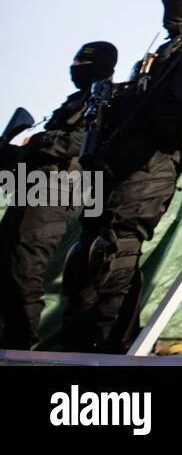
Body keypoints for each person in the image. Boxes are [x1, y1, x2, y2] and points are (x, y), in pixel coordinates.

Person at [60, 0, 182, 353]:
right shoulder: (158, 53)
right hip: (115, 165)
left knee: (114, 254)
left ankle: (113, 346)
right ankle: (78, 340)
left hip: (151, 164)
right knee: (86, 252)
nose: (171, 3)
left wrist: (131, 147)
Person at [0, 42, 117, 349]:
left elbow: (79, 142)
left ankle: (18, 348)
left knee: (23, 273)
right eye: (76, 59)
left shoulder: (104, 99)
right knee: (7, 269)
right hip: (31, 191)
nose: (75, 65)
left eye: (83, 61)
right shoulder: (77, 101)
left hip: (52, 196)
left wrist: (37, 141)